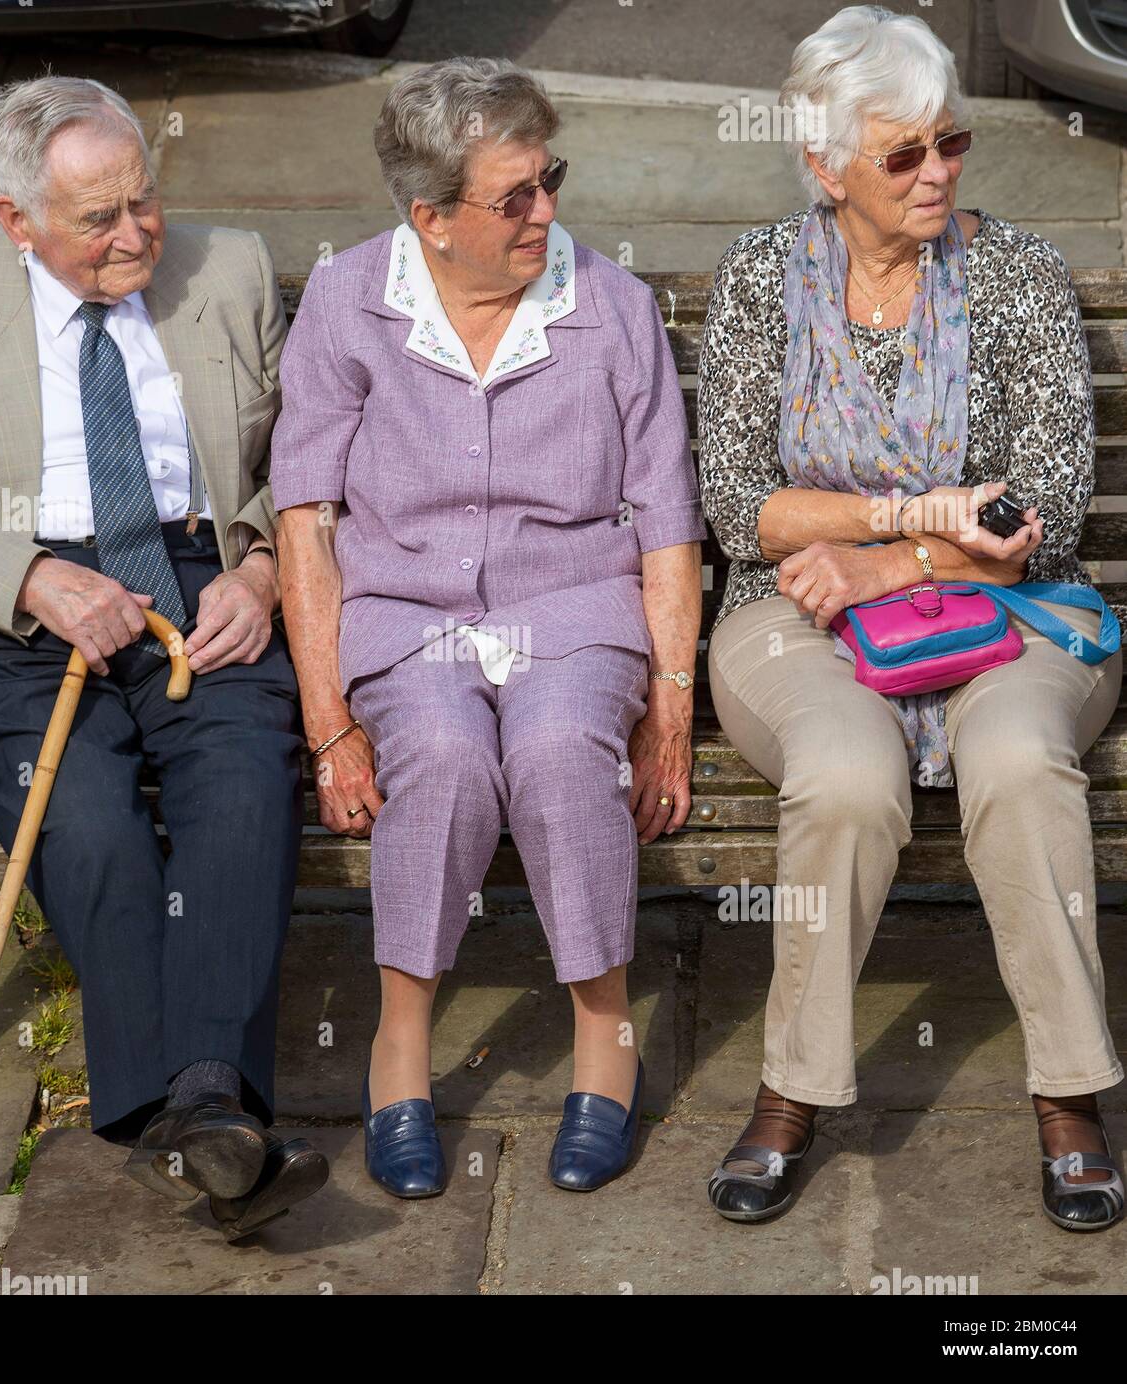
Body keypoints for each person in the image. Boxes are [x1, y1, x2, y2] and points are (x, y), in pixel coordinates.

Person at [0, 76, 327, 1242]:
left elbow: (296, 463)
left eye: (143, 202)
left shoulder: (231, 270)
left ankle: (193, 1116)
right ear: (17, 223)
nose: (136, 235)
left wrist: (257, 571)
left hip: (199, 585)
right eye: (97, 220)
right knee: (92, 820)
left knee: (243, 786)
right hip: (20, 610)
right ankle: (209, 1124)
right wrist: (27, 577)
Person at [699, 6, 1124, 1230]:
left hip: (1015, 611)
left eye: (951, 142)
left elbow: (1044, 505)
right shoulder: (758, 278)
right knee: (841, 771)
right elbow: (739, 505)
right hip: (792, 616)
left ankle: (1068, 1092)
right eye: (902, 154)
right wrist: (915, 525)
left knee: (1014, 757)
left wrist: (886, 557)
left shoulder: (1018, 275)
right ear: (822, 164)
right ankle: (795, 1086)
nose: (935, 173)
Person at [271, 57, 705, 1199]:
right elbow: (307, 523)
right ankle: (400, 1048)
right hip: (405, 612)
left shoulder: (607, 305)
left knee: (564, 755)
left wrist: (669, 711)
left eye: (547, 178)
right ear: (429, 217)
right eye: (512, 195)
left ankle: (602, 1044)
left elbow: (666, 522)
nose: (544, 210)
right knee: (450, 759)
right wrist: (327, 723)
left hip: (572, 606)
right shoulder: (347, 300)